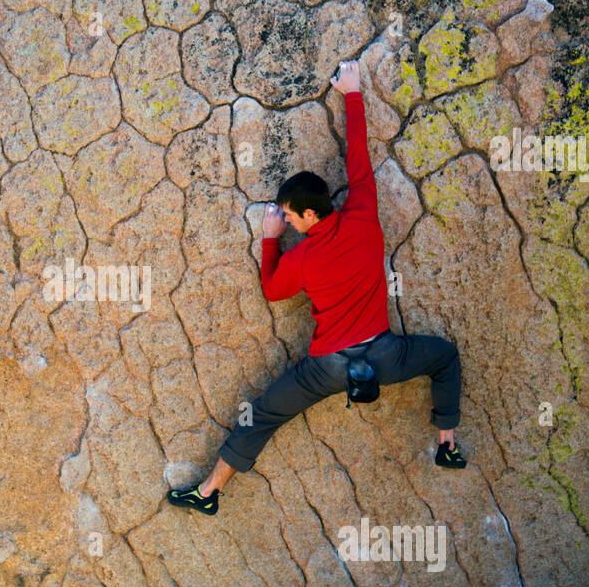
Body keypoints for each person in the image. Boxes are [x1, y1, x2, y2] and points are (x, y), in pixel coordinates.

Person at [167, 59, 466, 517]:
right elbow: (359, 159)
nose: (285, 221)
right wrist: (352, 91)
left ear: (309, 215)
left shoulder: (302, 257)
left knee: (264, 414)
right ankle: (446, 444)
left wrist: (269, 242)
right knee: (444, 356)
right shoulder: (364, 214)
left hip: (327, 369)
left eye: (288, 215)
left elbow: (272, 292)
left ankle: (207, 493)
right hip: (384, 358)